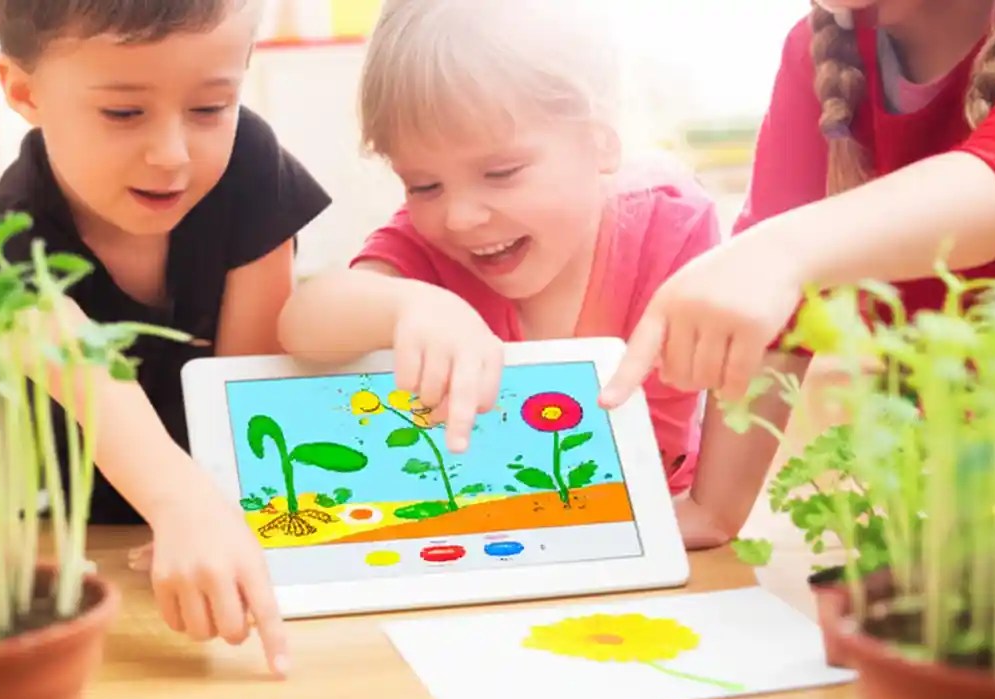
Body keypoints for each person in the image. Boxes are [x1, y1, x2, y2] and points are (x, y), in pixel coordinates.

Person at [277, 0, 781, 549]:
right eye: (423, 186)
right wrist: (414, 306)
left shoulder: (671, 222)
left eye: (501, 172)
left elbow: (693, 421)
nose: (459, 216)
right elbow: (304, 320)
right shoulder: (424, 249)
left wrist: (706, 511)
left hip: (643, 526)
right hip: (480, 532)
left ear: (600, 141)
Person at [0, 0, 331, 675]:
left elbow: (246, 393)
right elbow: (81, 367)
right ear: (25, 92)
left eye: (210, 109)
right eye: (123, 113)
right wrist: (180, 503)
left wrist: (214, 509)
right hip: (91, 534)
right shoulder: (12, 231)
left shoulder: (253, 166)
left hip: (229, 514)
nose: (172, 155)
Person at [603, 0, 995, 413]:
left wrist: (778, 253)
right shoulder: (814, 53)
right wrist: (712, 508)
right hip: (952, 468)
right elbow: (786, 323)